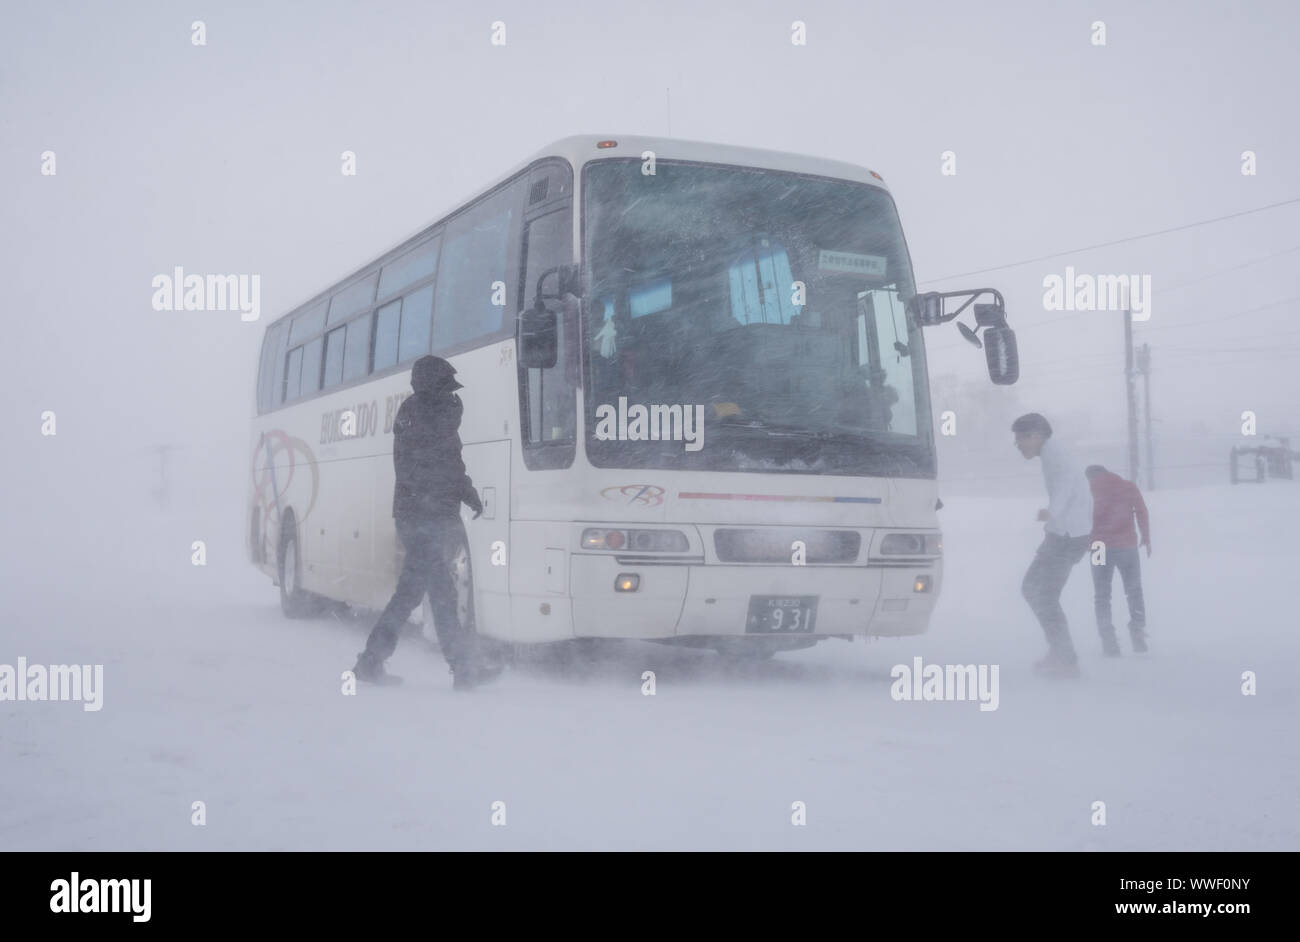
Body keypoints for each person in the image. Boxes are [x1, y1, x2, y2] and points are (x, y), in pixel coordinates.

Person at [352, 355, 498, 690]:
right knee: (441, 593)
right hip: (422, 519)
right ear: (432, 388)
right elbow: (420, 471)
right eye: (446, 388)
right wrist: (441, 502)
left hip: (425, 516)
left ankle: (371, 662)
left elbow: (451, 465)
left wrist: (467, 494)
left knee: (411, 594)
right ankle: (464, 669)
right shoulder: (421, 418)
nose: (452, 395)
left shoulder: (431, 417)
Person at [1012, 413, 1093, 678]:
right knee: (1035, 590)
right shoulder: (1052, 453)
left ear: (1035, 435)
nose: (1017, 445)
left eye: (1020, 438)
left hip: (1066, 536)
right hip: (1064, 535)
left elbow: (1066, 485)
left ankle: (1065, 659)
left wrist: (1051, 511)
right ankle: (1059, 651)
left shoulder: (1055, 455)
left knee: (1042, 595)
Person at [1085, 465, 1150, 655]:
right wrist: (1146, 536)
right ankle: (1137, 629)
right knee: (1134, 590)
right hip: (1126, 544)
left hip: (1098, 546)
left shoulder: (1088, 490)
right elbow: (1141, 511)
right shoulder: (1127, 486)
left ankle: (1108, 639)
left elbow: (1082, 516)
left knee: (1102, 595)